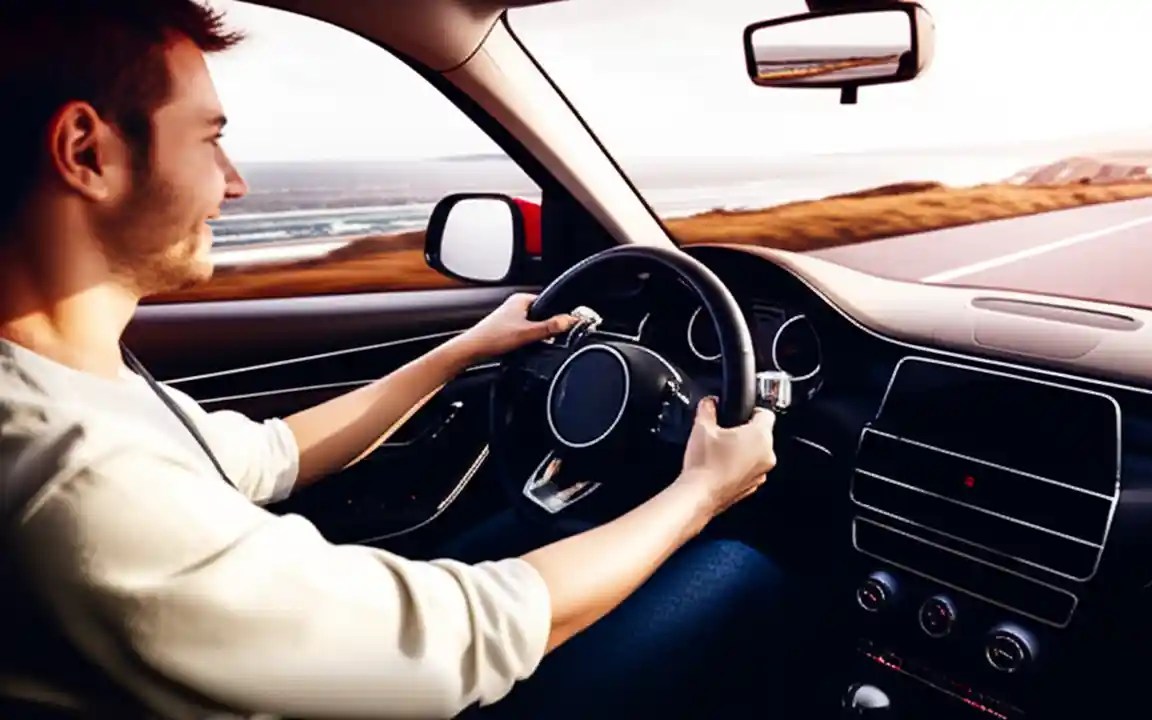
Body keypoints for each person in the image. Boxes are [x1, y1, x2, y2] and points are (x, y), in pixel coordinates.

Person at [0, 1, 783, 718]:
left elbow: (266, 455)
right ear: (85, 151)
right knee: (740, 570)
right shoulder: (82, 483)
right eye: (210, 139)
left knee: (517, 526)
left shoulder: (67, 387)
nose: (233, 183)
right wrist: (703, 493)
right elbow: (469, 637)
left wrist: (462, 350)